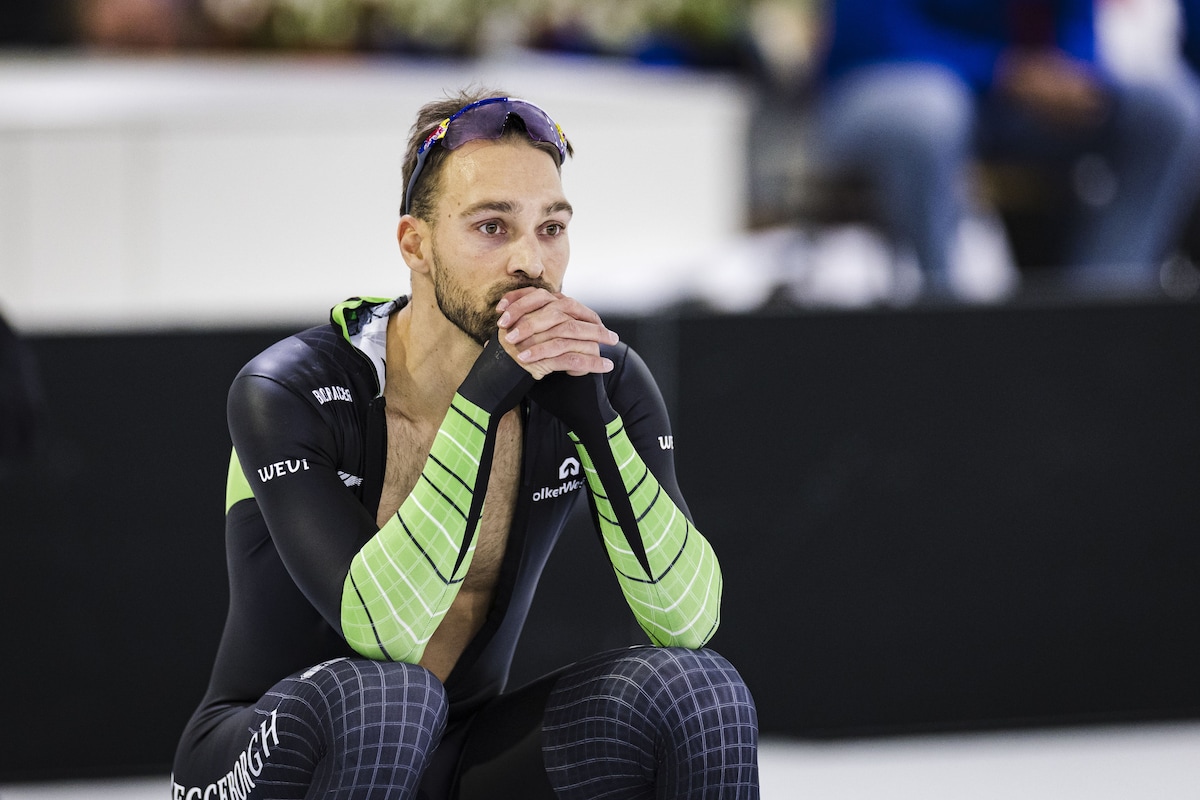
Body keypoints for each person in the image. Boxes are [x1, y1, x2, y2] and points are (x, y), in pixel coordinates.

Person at [171, 89, 760, 799]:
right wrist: (479, 404)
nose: (531, 263)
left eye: (551, 228)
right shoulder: (288, 390)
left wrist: (598, 426)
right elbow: (383, 633)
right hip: (261, 759)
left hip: (453, 754)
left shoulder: (599, 376)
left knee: (701, 692)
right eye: (491, 227)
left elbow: (690, 620)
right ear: (413, 245)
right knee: (391, 698)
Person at [813, 0, 1200, 299]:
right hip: (881, 91)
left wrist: (1073, 74)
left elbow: (1076, 23)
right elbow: (874, 36)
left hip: (1007, 106)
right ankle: (944, 319)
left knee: (1168, 113)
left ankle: (1098, 314)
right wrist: (1002, 71)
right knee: (933, 109)